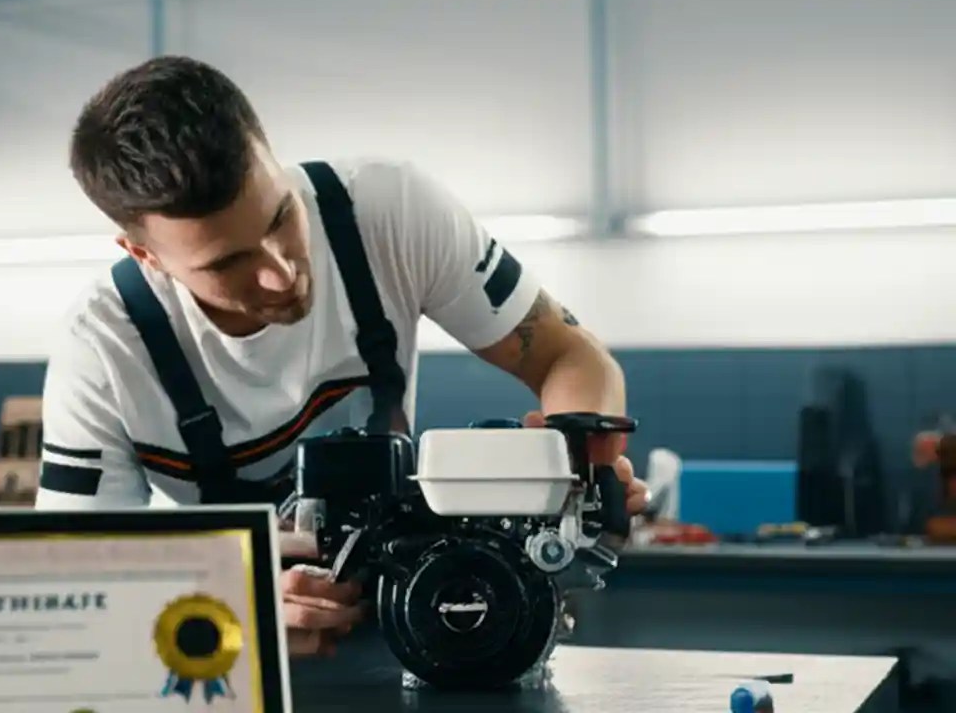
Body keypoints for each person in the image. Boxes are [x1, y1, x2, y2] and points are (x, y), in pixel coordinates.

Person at [35, 55, 648, 657]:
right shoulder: (103, 351)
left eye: (280, 217)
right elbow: (74, 585)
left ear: (271, 156)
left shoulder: (388, 213)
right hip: (216, 651)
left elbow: (570, 354)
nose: (280, 274)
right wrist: (233, 610)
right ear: (146, 255)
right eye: (226, 263)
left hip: (419, 627)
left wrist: (579, 473)